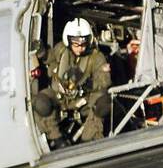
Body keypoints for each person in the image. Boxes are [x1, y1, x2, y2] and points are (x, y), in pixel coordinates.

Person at [32, 18, 112, 148]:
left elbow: (104, 80)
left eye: (83, 44)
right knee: (41, 102)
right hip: (61, 98)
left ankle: (89, 138)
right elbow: (50, 57)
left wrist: (89, 85)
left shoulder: (97, 57)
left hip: (84, 101)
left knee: (103, 102)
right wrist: (41, 51)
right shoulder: (61, 50)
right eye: (76, 44)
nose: (80, 48)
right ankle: (56, 138)